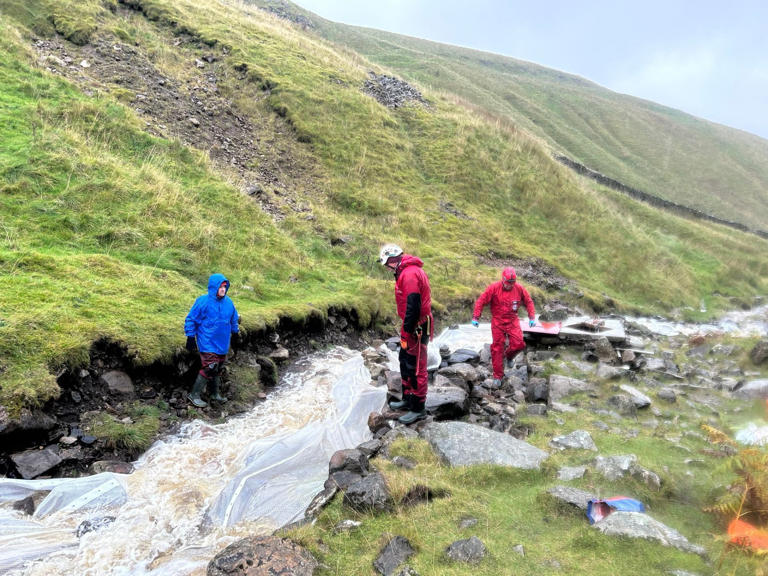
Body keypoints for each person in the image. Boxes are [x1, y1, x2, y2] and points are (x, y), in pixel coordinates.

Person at [379, 243, 433, 424]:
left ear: (392, 261)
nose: (387, 268)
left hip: (417, 326)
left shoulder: (409, 274)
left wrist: (406, 333)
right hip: (411, 325)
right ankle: (408, 399)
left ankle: (419, 408)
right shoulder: (406, 271)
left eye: (386, 264)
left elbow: (413, 306)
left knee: (417, 366)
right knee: (405, 360)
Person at [471, 266, 536, 386]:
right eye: (508, 283)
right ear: (503, 280)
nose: (510, 285)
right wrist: (476, 317)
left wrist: (532, 317)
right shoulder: (494, 288)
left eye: (512, 283)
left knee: (519, 344)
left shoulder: (519, 289)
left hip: (512, 321)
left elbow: (528, 302)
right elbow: (481, 301)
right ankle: (498, 376)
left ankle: (509, 356)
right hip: (498, 322)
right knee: (497, 348)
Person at [184, 273, 240, 408]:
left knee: (218, 368)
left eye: (225, 287)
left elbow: (234, 318)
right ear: (213, 287)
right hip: (207, 341)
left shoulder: (229, 302)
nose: (223, 290)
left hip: (222, 342)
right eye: (220, 287)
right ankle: (194, 395)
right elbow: (191, 319)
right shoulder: (203, 301)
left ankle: (215, 394)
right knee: (210, 366)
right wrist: (190, 337)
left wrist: (236, 333)